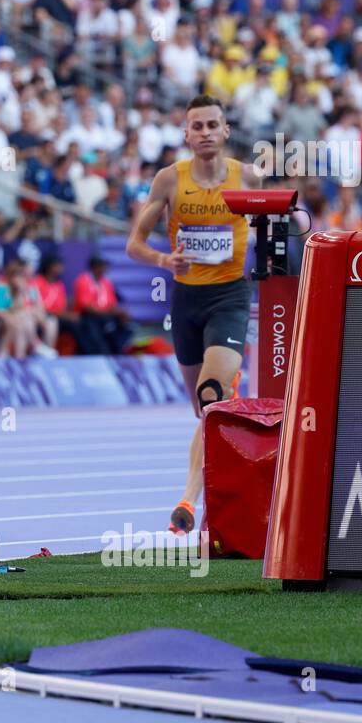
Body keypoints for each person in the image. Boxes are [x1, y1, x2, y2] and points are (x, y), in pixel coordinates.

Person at [125, 94, 261, 534]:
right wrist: (166, 262)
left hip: (231, 297)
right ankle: (227, 493)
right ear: (186, 134)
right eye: (196, 126)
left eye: (212, 125)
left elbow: (271, 229)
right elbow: (135, 245)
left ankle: (189, 498)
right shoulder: (169, 180)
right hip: (186, 301)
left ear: (225, 131)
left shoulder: (248, 177)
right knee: (206, 415)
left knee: (211, 396)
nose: (204, 133)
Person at [66, 254, 132, 354]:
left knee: (126, 326)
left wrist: (119, 312)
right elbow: (86, 307)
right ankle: (103, 354)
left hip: (104, 316)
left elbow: (112, 304)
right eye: (102, 266)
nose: (104, 269)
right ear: (94, 267)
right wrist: (106, 312)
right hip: (87, 317)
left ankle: (119, 354)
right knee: (97, 327)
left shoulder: (106, 283)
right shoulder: (83, 280)